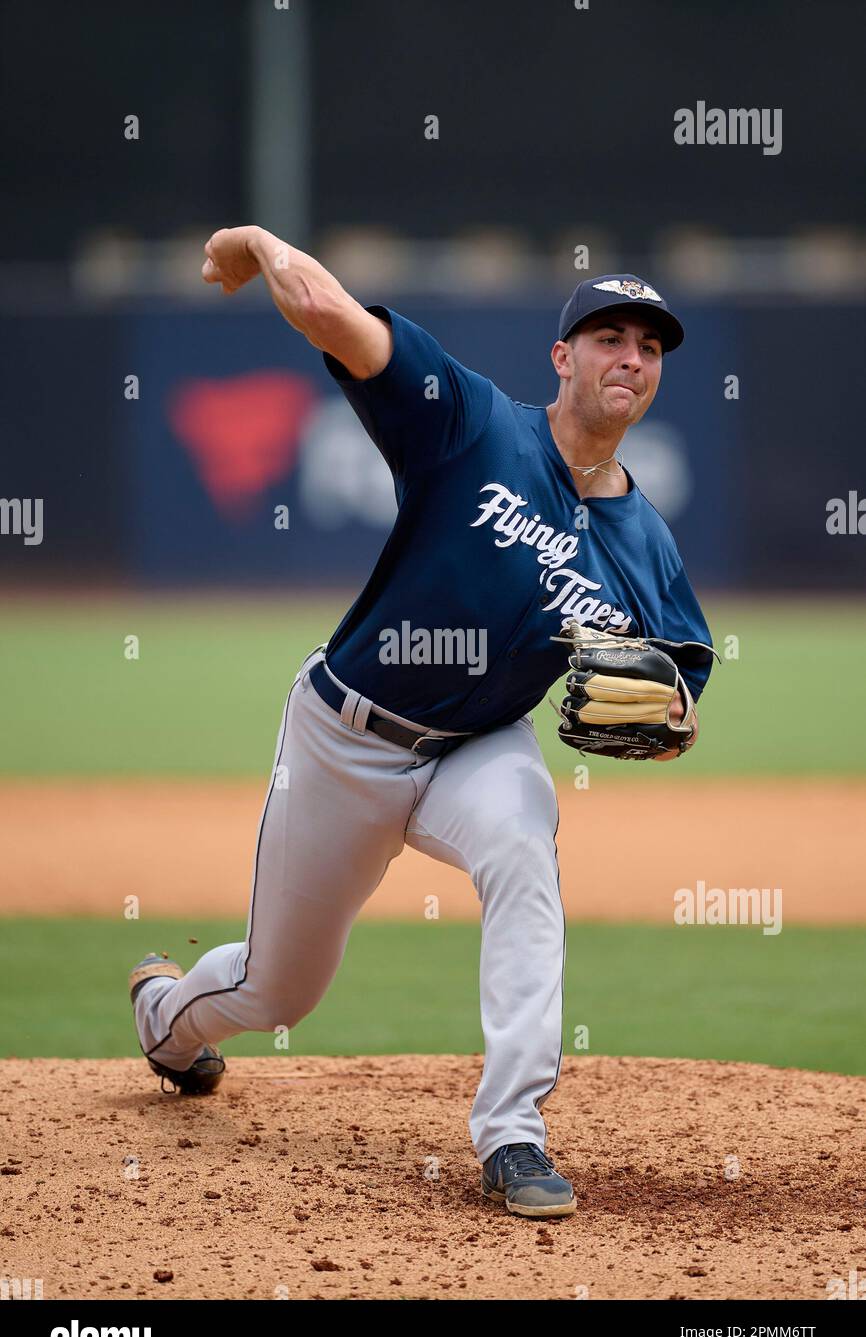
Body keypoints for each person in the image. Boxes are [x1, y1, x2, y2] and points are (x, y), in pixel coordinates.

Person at [128, 230, 715, 1219]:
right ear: (561, 357)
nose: (629, 357)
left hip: (479, 747)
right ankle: (163, 1018)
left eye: (648, 346)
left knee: (526, 843)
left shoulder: (642, 540)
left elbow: (680, 682)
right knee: (279, 990)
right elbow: (335, 320)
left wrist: (672, 719)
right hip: (345, 734)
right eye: (606, 336)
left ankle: (512, 1134)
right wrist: (259, 243)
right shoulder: (474, 425)